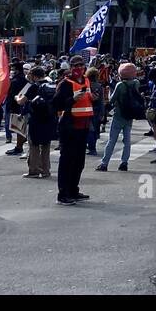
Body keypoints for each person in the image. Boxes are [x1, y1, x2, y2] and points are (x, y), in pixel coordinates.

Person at [53, 56, 94, 206]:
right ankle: (63, 194)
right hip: (69, 127)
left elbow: (87, 102)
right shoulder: (65, 84)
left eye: (81, 65)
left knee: (79, 162)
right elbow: (56, 104)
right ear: (70, 67)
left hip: (84, 126)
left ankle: (73, 190)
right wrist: (72, 99)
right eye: (75, 65)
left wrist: (93, 98)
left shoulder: (86, 81)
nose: (79, 68)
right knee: (67, 161)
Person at [98, 63, 143, 172]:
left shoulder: (120, 85)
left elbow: (112, 100)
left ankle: (104, 163)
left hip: (118, 115)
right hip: (130, 115)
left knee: (112, 140)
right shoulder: (136, 83)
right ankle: (124, 162)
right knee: (127, 141)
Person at [21, 67, 56, 180]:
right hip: (49, 118)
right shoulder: (51, 85)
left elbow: (21, 101)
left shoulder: (34, 86)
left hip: (36, 119)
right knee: (46, 145)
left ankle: (34, 170)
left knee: (34, 145)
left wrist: (17, 98)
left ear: (34, 76)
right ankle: (45, 170)